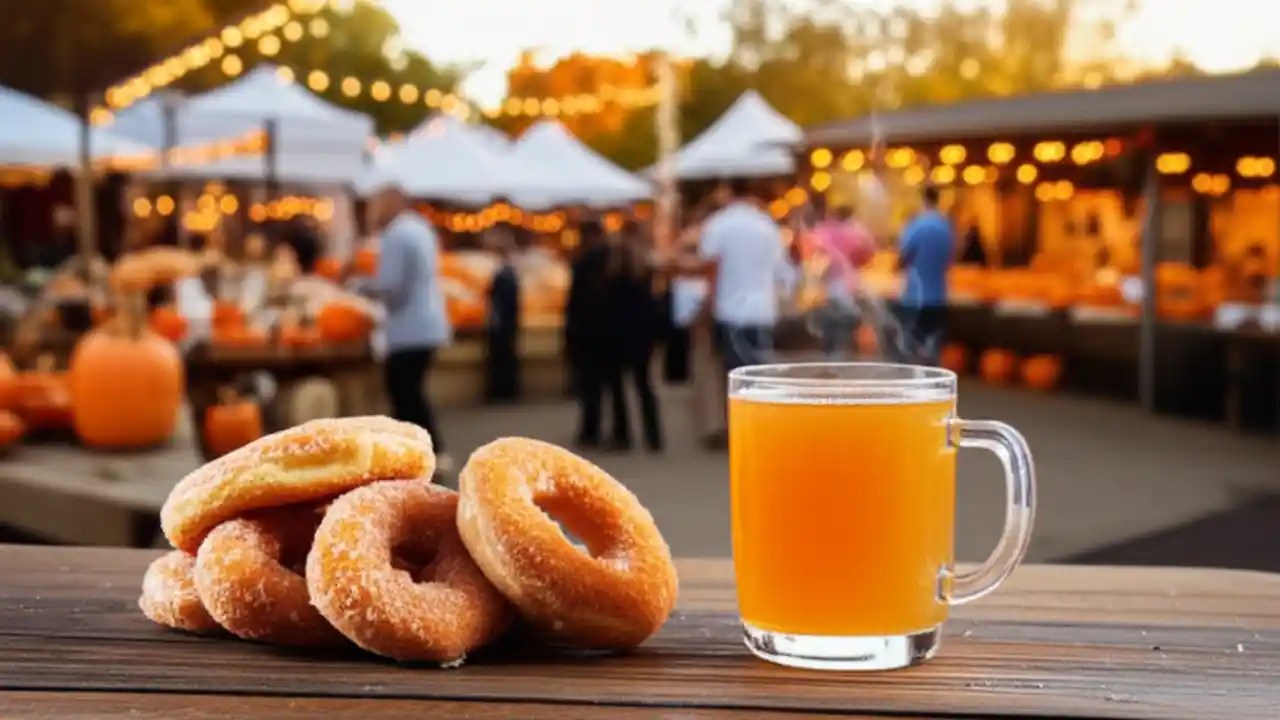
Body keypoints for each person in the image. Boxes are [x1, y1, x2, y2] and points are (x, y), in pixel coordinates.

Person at [370, 187, 453, 468]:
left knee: (405, 394)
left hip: (408, 328)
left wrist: (361, 286)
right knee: (412, 391)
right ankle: (425, 452)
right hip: (428, 324)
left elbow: (391, 285)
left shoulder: (396, 235)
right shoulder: (421, 228)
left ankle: (424, 452)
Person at [696, 178, 788, 373]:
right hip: (762, 310)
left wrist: (707, 308)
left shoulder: (718, 224)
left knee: (734, 376)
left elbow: (711, 269)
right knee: (760, 376)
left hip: (730, 311)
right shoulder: (768, 225)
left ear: (728, 191)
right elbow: (780, 270)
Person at [601, 222, 663, 452]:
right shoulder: (646, 269)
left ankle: (622, 434)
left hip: (616, 335)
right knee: (644, 386)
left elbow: (606, 305)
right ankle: (654, 435)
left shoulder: (613, 269)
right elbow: (653, 307)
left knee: (617, 388)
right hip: (641, 336)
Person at [891, 185, 955, 366]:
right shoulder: (946, 227)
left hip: (915, 295)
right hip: (939, 295)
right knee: (932, 345)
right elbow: (950, 259)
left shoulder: (916, 225)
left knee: (912, 346)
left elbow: (902, 257)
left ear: (922, 200)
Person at [565, 219, 614, 448]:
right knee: (601, 387)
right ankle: (598, 429)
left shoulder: (586, 262)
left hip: (588, 331)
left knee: (590, 386)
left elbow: (577, 301)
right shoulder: (608, 260)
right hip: (602, 332)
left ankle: (590, 430)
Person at [810, 196, 875, 357]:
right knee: (847, 331)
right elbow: (868, 252)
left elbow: (814, 258)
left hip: (827, 291)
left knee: (830, 333)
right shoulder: (856, 231)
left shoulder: (821, 231)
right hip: (849, 287)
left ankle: (831, 360)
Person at [485, 232, 521, 403]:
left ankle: (504, 391)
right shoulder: (510, 272)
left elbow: (502, 301)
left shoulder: (504, 273)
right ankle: (506, 389)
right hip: (507, 322)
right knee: (505, 356)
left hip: (503, 323)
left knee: (502, 357)